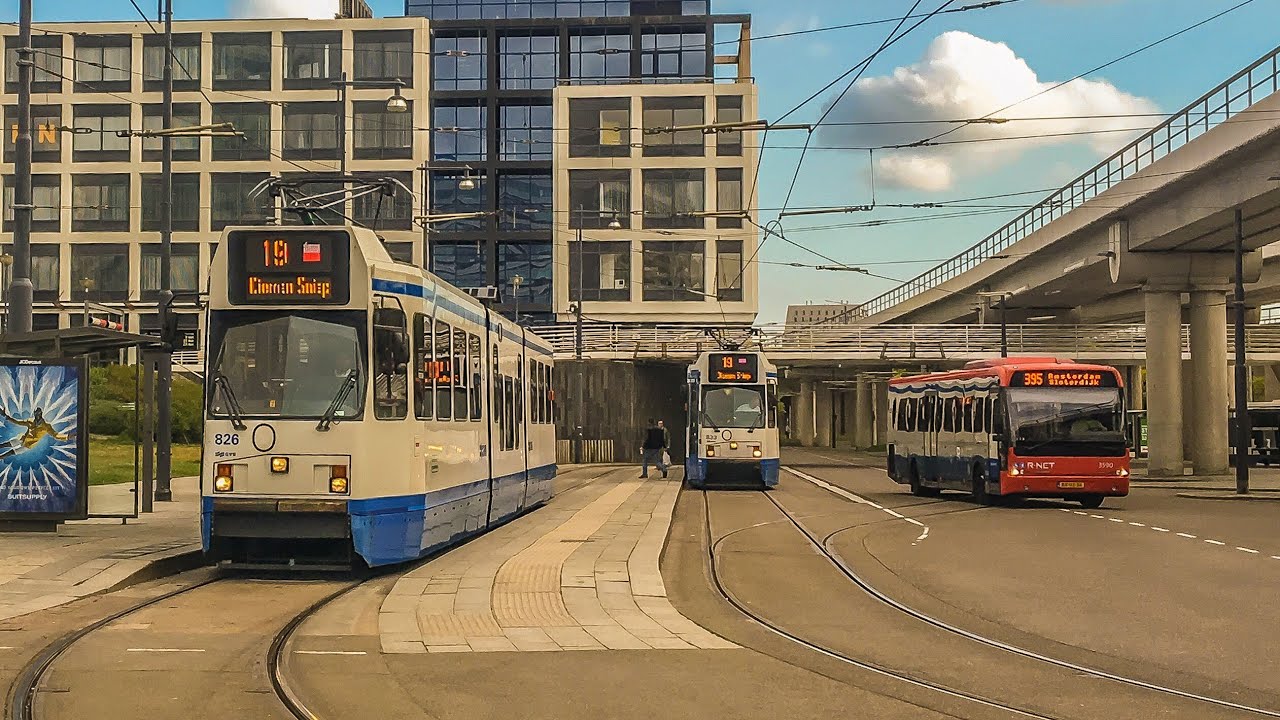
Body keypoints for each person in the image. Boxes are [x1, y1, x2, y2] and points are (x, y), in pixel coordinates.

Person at [0, 407, 71, 459]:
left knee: (11, 452)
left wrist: (67, 436)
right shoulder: (30, 421)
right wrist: (7, 417)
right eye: (35, 414)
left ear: (41, 414)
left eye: (38, 415)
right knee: (5, 444)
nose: (37, 416)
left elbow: (56, 435)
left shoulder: (46, 426)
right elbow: (18, 422)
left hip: (28, 445)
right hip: (22, 438)